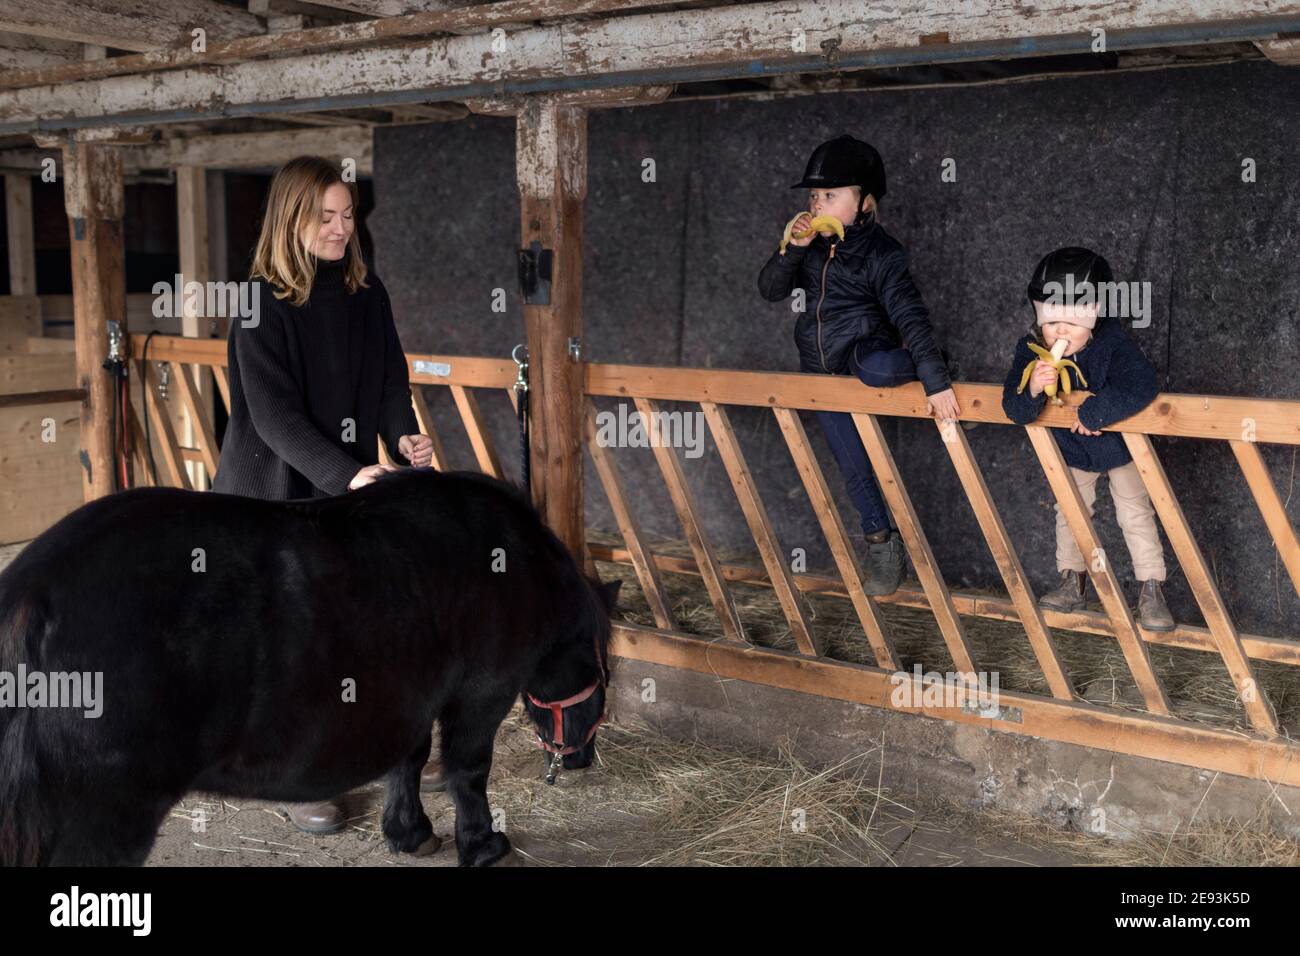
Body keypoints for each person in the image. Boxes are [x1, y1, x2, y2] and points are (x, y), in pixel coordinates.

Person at [211, 155, 447, 834]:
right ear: (292, 219)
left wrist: (402, 440)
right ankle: (290, 773)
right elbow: (275, 414)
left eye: (348, 216)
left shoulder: (367, 295)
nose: (341, 228)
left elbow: (388, 383)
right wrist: (348, 474)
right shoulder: (259, 305)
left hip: (345, 487)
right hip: (272, 492)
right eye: (326, 217)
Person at [757, 134, 960, 595]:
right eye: (814, 196)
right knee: (852, 464)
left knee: (878, 371)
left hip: (866, 353)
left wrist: (936, 380)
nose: (818, 203)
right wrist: (791, 247)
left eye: (831, 195)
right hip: (820, 370)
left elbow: (910, 315)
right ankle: (882, 545)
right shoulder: (807, 248)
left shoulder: (883, 253)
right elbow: (770, 289)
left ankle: (934, 365)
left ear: (863, 202)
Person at [1000, 246, 1174, 631]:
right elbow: (1014, 408)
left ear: (1096, 314)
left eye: (1072, 320)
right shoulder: (1031, 350)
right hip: (1074, 449)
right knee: (1071, 509)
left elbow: (1142, 384)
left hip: (1120, 449)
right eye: (1050, 320)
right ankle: (1072, 579)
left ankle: (1151, 587)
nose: (1060, 331)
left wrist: (1096, 412)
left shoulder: (1112, 344)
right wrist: (1030, 389)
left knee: (1135, 513)